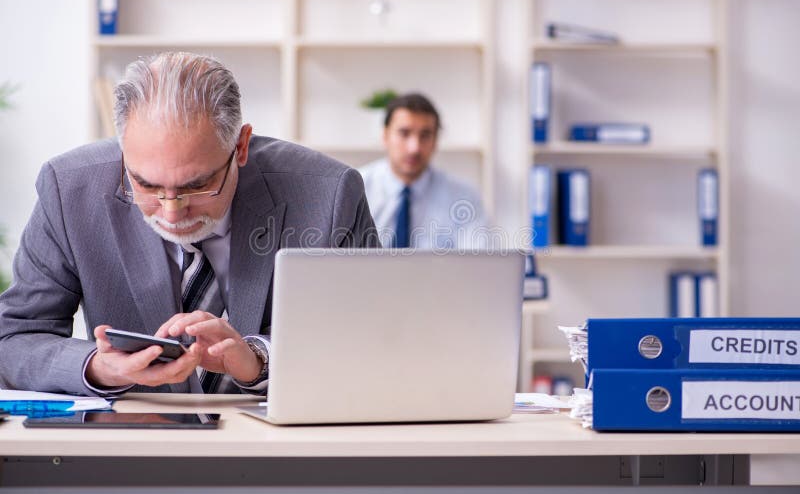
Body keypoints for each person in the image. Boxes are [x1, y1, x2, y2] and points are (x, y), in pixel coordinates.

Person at [0, 52, 378, 396]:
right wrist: (98, 368)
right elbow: (16, 338)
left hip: (282, 455)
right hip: (130, 449)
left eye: (197, 185)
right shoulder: (68, 190)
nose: (171, 212)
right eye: (146, 184)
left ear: (240, 147)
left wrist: (262, 359)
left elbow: (370, 337)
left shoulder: (330, 194)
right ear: (123, 147)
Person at [359, 93, 488, 249]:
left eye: (425, 135)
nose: (415, 148)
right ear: (385, 136)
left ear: (435, 141)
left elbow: (478, 264)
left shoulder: (464, 198)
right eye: (404, 133)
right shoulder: (356, 190)